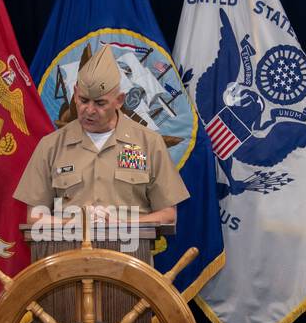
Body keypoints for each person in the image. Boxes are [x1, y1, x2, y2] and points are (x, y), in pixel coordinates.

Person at [13, 45, 189, 226]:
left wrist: (123, 224)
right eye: (83, 100)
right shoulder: (51, 146)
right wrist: (75, 225)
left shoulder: (149, 143)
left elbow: (168, 214)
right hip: (69, 252)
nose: (89, 110)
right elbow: (34, 216)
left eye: (100, 103)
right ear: (75, 94)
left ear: (119, 101)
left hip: (129, 251)